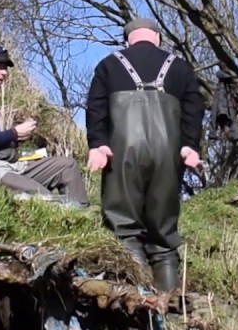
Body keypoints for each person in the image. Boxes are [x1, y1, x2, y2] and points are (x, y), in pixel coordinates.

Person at [85, 18, 204, 293]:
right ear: (158, 38)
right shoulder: (180, 66)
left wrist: (98, 144)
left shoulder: (109, 64)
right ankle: (168, 303)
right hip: (168, 154)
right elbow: (194, 108)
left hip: (122, 152)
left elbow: (95, 107)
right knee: (163, 236)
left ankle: (137, 299)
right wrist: (190, 145)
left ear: (128, 40)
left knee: (124, 228)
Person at [0, 45, 90, 207]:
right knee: (43, 196)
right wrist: (13, 133)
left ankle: (84, 214)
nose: (4, 72)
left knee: (67, 165)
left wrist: (15, 140)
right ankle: (62, 212)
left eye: (6, 68)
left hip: (2, 161)